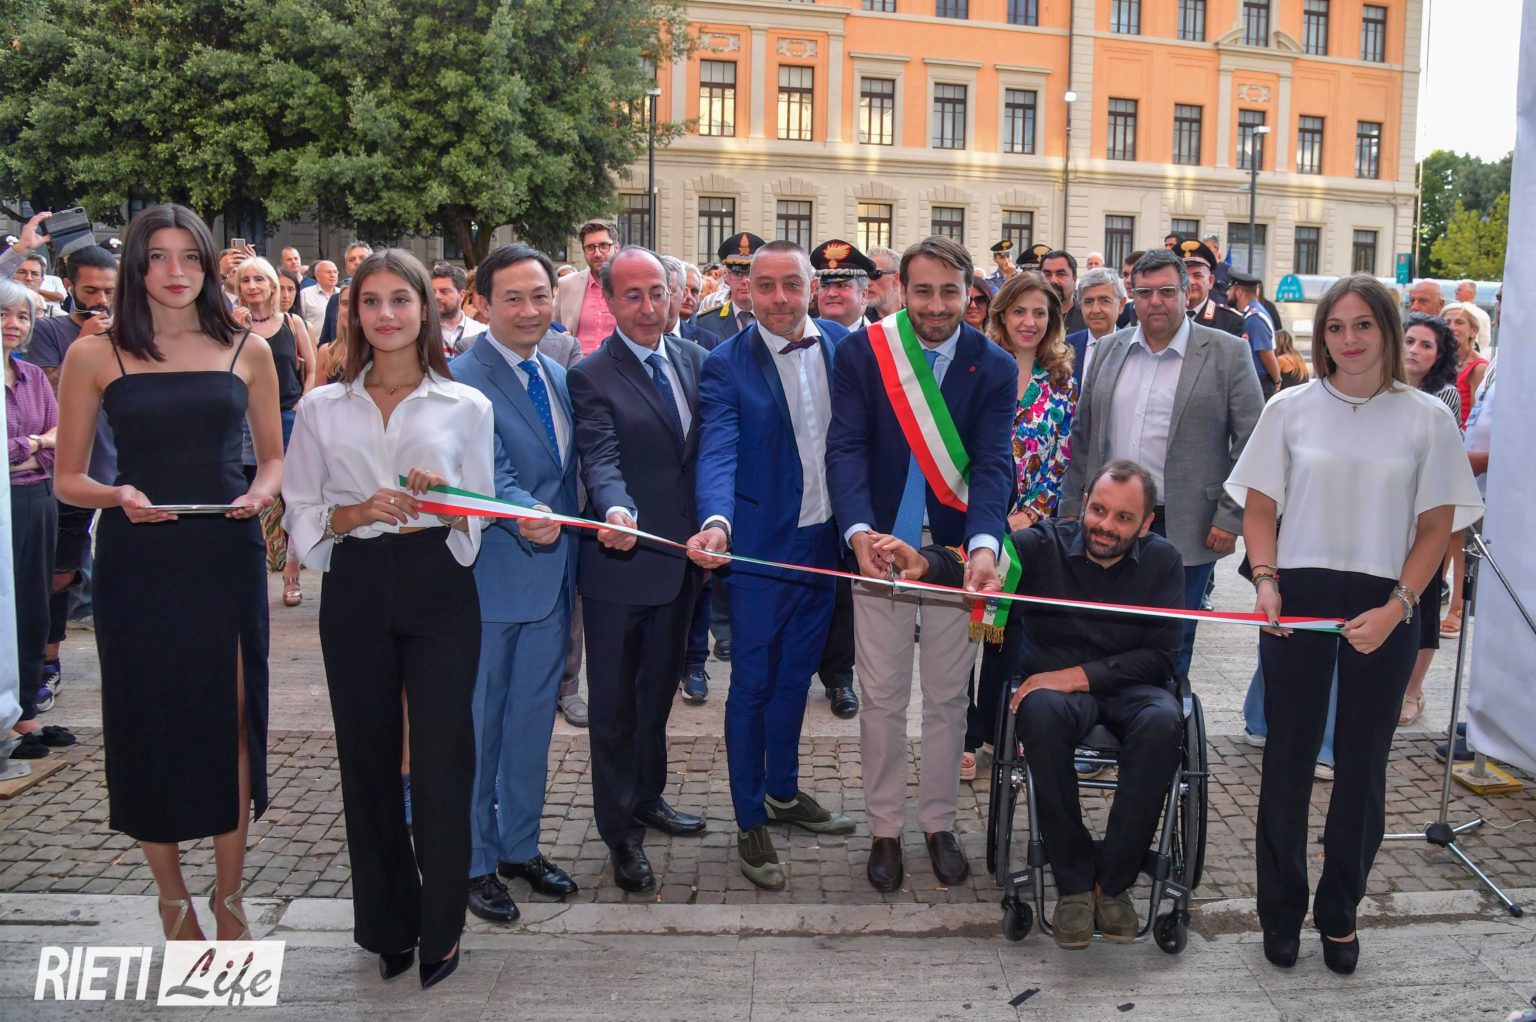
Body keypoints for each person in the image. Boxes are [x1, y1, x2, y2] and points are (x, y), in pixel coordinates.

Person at [1226, 273, 1482, 976]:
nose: (1349, 340)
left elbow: (1437, 527)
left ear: (1389, 331)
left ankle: (1340, 911)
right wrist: (1267, 584)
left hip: (1388, 600)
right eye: (1336, 327)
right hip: (1298, 596)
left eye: (1363, 325)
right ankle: (1279, 912)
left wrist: (1400, 607)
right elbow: (1257, 510)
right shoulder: (1291, 407)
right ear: (1322, 335)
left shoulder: (1426, 417)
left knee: (1364, 768)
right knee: (1287, 761)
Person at [52, 203, 283, 944]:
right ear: (135, 267)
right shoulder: (95, 354)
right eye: (158, 256)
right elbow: (66, 479)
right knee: (148, 724)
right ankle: (173, 900)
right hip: (139, 561)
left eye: (190, 255)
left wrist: (259, 491)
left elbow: (275, 456)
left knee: (231, 724)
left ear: (209, 264)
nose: (176, 272)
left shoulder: (247, 348)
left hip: (226, 555)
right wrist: (116, 493)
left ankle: (230, 897)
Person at [283, 248, 493, 988]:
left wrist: (447, 498)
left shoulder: (466, 404)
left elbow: (481, 510)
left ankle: (442, 928)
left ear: (425, 310)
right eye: (371, 302)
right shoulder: (320, 407)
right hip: (359, 582)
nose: (387, 314)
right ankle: (385, 924)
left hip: (439, 579)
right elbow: (302, 511)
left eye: (400, 300)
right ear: (355, 313)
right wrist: (355, 512)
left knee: (442, 756)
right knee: (365, 756)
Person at [876, 459, 1183, 946]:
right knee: (1035, 713)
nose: (1105, 526)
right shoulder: (1045, 544)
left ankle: (1113, 883)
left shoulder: (1165, 562)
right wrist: (925, 563)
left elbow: (1163, 657)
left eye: (1124, 518)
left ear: (1147, 523)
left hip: (1134, 688)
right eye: (1098, 510)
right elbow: (978, 559)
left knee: (1167, 725)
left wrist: (1076, 677)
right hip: (1051, 692)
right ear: (1084, 504)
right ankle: (1076, 883)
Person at [826, 236, 1016, 892]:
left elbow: (993, 465)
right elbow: (845, 448)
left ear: (971, 294)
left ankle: (937, 822)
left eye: (950, 292)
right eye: (924, 290)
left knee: (945, 700)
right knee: (879, 701)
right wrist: (855, 533)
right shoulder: (863, 352)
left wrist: (985, 548)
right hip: (875, 555)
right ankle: (884, 829)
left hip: (950, 561)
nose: (937, 306)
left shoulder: (991, 366)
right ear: (902, 290)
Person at [686, 240, 855, 890]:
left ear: (812, 287)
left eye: (792, 284)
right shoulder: (726, 363)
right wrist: (717, 521)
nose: (780, 298)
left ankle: (784, 792)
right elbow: (719, 450)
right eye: (766, 286)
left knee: (795, 680)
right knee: (752, 685)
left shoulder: (843, 345)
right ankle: (750, 815)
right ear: (744, 291)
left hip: (825, 548)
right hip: (755, 551)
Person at [567, 246, 710, 893]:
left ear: (677, 293)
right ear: (609, 300)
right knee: (615, 710)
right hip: (619, 569)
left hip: (681, 568)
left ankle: (649, 797)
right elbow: (599, 457)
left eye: (658, 292)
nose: (650, 307)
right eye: (634, 295)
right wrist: (615, 507)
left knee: (656, 698)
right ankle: (620, 832)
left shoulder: (695, 360)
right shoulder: (592, 374)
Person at [448, 243, 581, 924]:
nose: (530, 310)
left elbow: (570, 472)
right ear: (480, 304)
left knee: (531, 727)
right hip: (490, 584)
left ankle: (519, 847)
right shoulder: (459, 379)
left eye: (540, 295)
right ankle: (472, 863)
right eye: (513, 298)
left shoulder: (555, 373)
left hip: (553, 585)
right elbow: (481, 474)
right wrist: (522, 510)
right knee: (479, 728)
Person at [1061, 248, 1263, 679]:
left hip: (1185, 525)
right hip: (1108, 523)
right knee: (1101, 630)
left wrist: (1230, 517)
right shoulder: (1109, 351)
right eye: (1145, 292)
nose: (1156, 302)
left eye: (1167, 291)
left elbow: (1251, 442)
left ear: (1187, 292)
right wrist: (1071, 512)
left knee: (1172, 640)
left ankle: (1162, 727)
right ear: (1131, 296)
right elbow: (1084, 436)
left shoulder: (1227, 353)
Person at [962, 270, 1077, 780]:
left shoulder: (1062, 385)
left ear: (1051, 320)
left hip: (1032, 532)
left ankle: (1004, 734)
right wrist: (986, 517)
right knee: (969, 637)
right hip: (972, 525)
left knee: (1014, 638)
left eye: (1040, 312)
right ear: (1001, 315)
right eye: (1019, 311)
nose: (1029, 322)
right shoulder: (977, 371)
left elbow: (1064, 461)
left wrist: (1028, 514)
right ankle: (964, 735)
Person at [22, 244, 118, 709]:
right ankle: (46, 661)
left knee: (101, 573)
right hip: (62, 472)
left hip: (118, 469)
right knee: (57, 575)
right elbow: (45, 391)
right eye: (90, 291)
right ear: (69, 284)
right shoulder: (47, 331)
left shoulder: (129, 332)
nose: (101, 301)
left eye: (109, 291)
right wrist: (85, 346)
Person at [4, 280, 72, 759]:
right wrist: (35, 444)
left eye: (23, 317)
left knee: (33, 605)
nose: (13, 324)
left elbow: (60, 436)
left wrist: (33, 448)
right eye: (4, 315)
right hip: (5, 503)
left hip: (36, 501)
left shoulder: (31, 377)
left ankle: (26, 711)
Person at [233, 256, 317, 606]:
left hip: (286, 417)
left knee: (293, 498)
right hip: (242, 422)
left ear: (272, 285)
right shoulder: (227, 324)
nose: (252, 286)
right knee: (246, 499)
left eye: (259, 279)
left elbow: (312, 369)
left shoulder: (292, 322)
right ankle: (249, 576)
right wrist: (233, 329)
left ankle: (291, 574)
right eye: (245, 280)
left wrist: (303, 403)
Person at [1395, 312, 1463, 726]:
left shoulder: (1444, 398)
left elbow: (1443, 461)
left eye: (1425, 345)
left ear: (1439, 356)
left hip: (1424, 515)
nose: (1415, 351)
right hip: (1386, 517)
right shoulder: (1377, 387)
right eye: (1409, 341)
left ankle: (1413, 690)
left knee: (1420, 602)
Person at [1438, 301, 1491, 638]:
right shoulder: (1442, 364)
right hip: (1449, 453)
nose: (1453, 326)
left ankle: (1457, 605)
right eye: (1448, 321)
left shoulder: (1477, 368)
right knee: (1443, 531)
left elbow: (1477, 413)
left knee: (1458, 534)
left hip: (1465, 455)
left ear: (1474, 330)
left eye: (1460, 321)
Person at [553, 218, 619, 355]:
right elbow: (552, 328)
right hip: (576, 370)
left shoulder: (630, 286)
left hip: (619, 370)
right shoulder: (567, 285)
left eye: (604, 246)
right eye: (590, 247)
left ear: (616, 247)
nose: (597, 253)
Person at [689, 232, 762, 347]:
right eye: (737, 273)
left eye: (750, 274)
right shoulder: (706, 322)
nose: (745, 280)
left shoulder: (775, 317)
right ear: (726, 276)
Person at [1065, 266, 1124, 390]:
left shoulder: (1132, 349)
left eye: (1104, 301)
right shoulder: (1064, 349)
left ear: (1121, 305)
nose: (1095, 310)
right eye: (1088, 302)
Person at [1227, 269, 1282, 400]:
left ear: (1238, 292)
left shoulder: (1255, 317)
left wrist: (1277, 380)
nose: (1226, 293)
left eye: (1230, 289)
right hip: (1255, 381)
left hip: (1260, 383)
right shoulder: (1251, 313)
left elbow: (1266, 353)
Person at [1176, 239, 1244, 338]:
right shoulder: (1165, 317)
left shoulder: (1230, 322)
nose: (1190, 282)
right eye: (1184, 276)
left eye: (1197, 275)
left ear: (1211, 281)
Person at [810, 239, 875, 333]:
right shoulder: (801, 340)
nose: (831, 294)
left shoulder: (880, 342)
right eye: (824, 286)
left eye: (842, 285)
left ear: (864, 295)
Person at [432, 262, 487, 358]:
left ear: (461, 295)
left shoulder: (482, 333)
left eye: (444, 291)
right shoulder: (420, 334)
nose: (436, 296)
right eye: (432, 291)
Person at [1040, 250, 1087, 335]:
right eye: (1047, 274)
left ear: (1074, 279)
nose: (1053, 280)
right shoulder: (1030, 317)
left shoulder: (1086, 318)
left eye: (1060, 274)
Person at [301, 259, 341, 341]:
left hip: (340, 348)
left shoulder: (342, 293)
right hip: (314, 348)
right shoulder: (305, 294)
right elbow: (300, 324)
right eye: (328, 272)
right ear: (317, 275)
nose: (332, 275)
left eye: (335, 272)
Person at [863, 246, 903, 323]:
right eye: (864, 275)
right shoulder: (860, 322)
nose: (867, 282)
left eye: (875, 274)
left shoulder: (914, 320)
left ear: (896, 278)